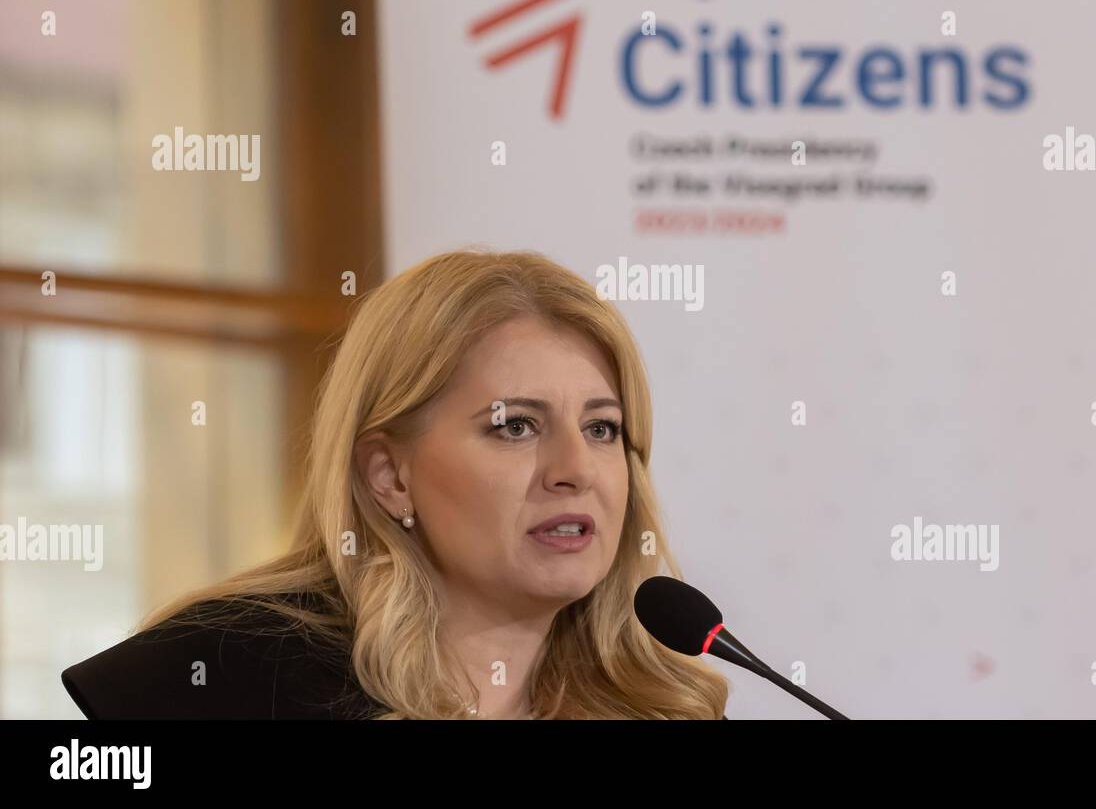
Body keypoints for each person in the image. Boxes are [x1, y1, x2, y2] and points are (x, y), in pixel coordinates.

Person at [62, 247, 729, 719]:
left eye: (603, 429)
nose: (576, 471)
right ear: (388, 475)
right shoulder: (223, 676)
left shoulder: (660, 706)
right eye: (517, 427)